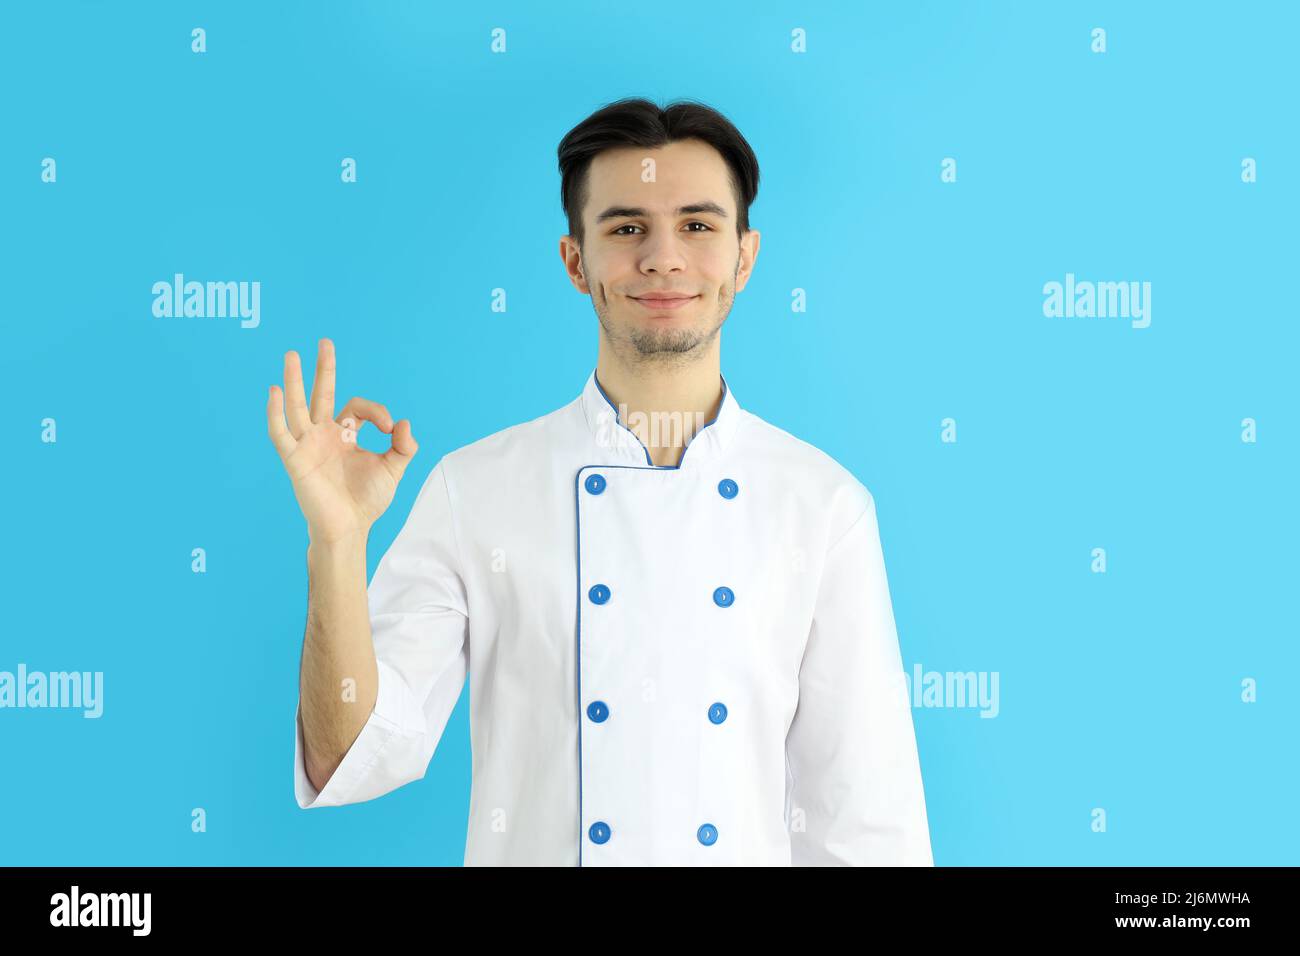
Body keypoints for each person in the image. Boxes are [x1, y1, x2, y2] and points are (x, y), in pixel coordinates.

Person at [267, 97, 934, 866]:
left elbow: (866, 822)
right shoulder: (475, 489)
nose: (662, 258)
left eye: (697, 225)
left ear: (745, 256)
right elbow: (350, 753)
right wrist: (337, 544)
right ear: (575, 261)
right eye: (625, 229)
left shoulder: (822, 507)